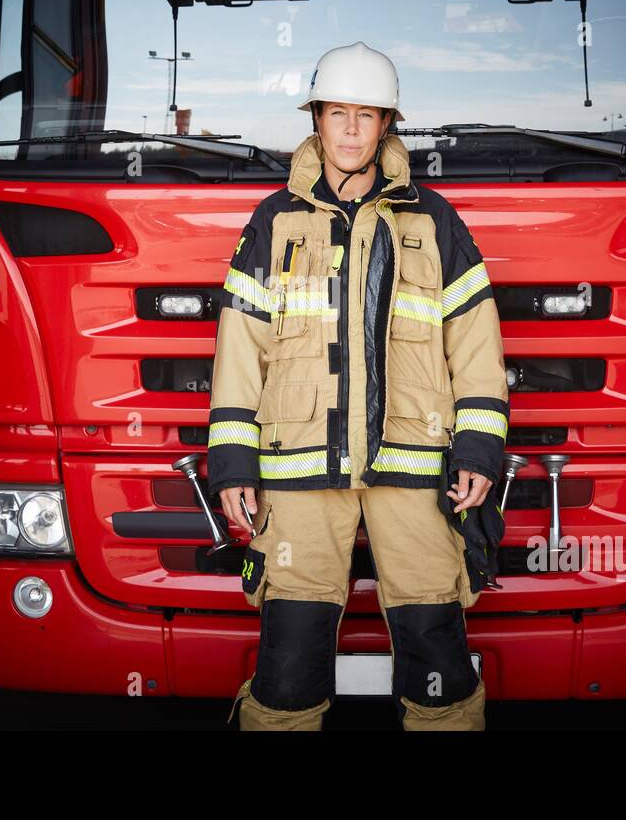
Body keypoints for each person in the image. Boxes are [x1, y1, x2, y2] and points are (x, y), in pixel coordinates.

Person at [207, 41, 510, 730]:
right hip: (298, 474)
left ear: (385, 125)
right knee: (287, 660)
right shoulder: (272, 222)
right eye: (336, 113)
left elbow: (475, 344)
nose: (349, 129)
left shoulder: (433, 221)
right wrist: (231, 461)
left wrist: (478, 450)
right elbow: (240, 348)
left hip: (416, 472)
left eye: (365, 115)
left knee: (438, 652)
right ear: (316, 119)